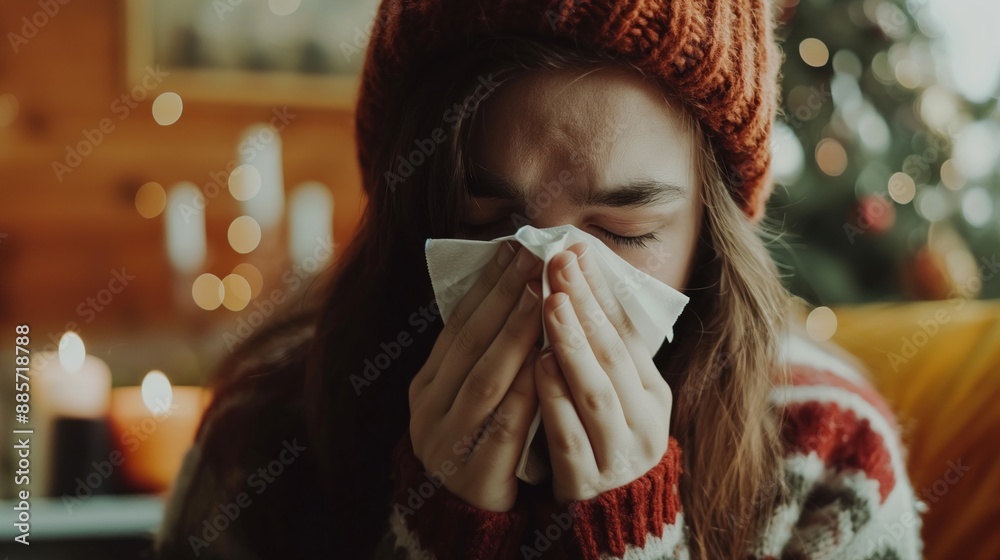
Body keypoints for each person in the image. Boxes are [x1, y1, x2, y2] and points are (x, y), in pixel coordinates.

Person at [155, 0, 924, 558]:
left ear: (713, 233)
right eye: (485, 224)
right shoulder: (261, 439)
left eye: (624, 230)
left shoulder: (827, 452)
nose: (552, 282)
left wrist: (631, 537)